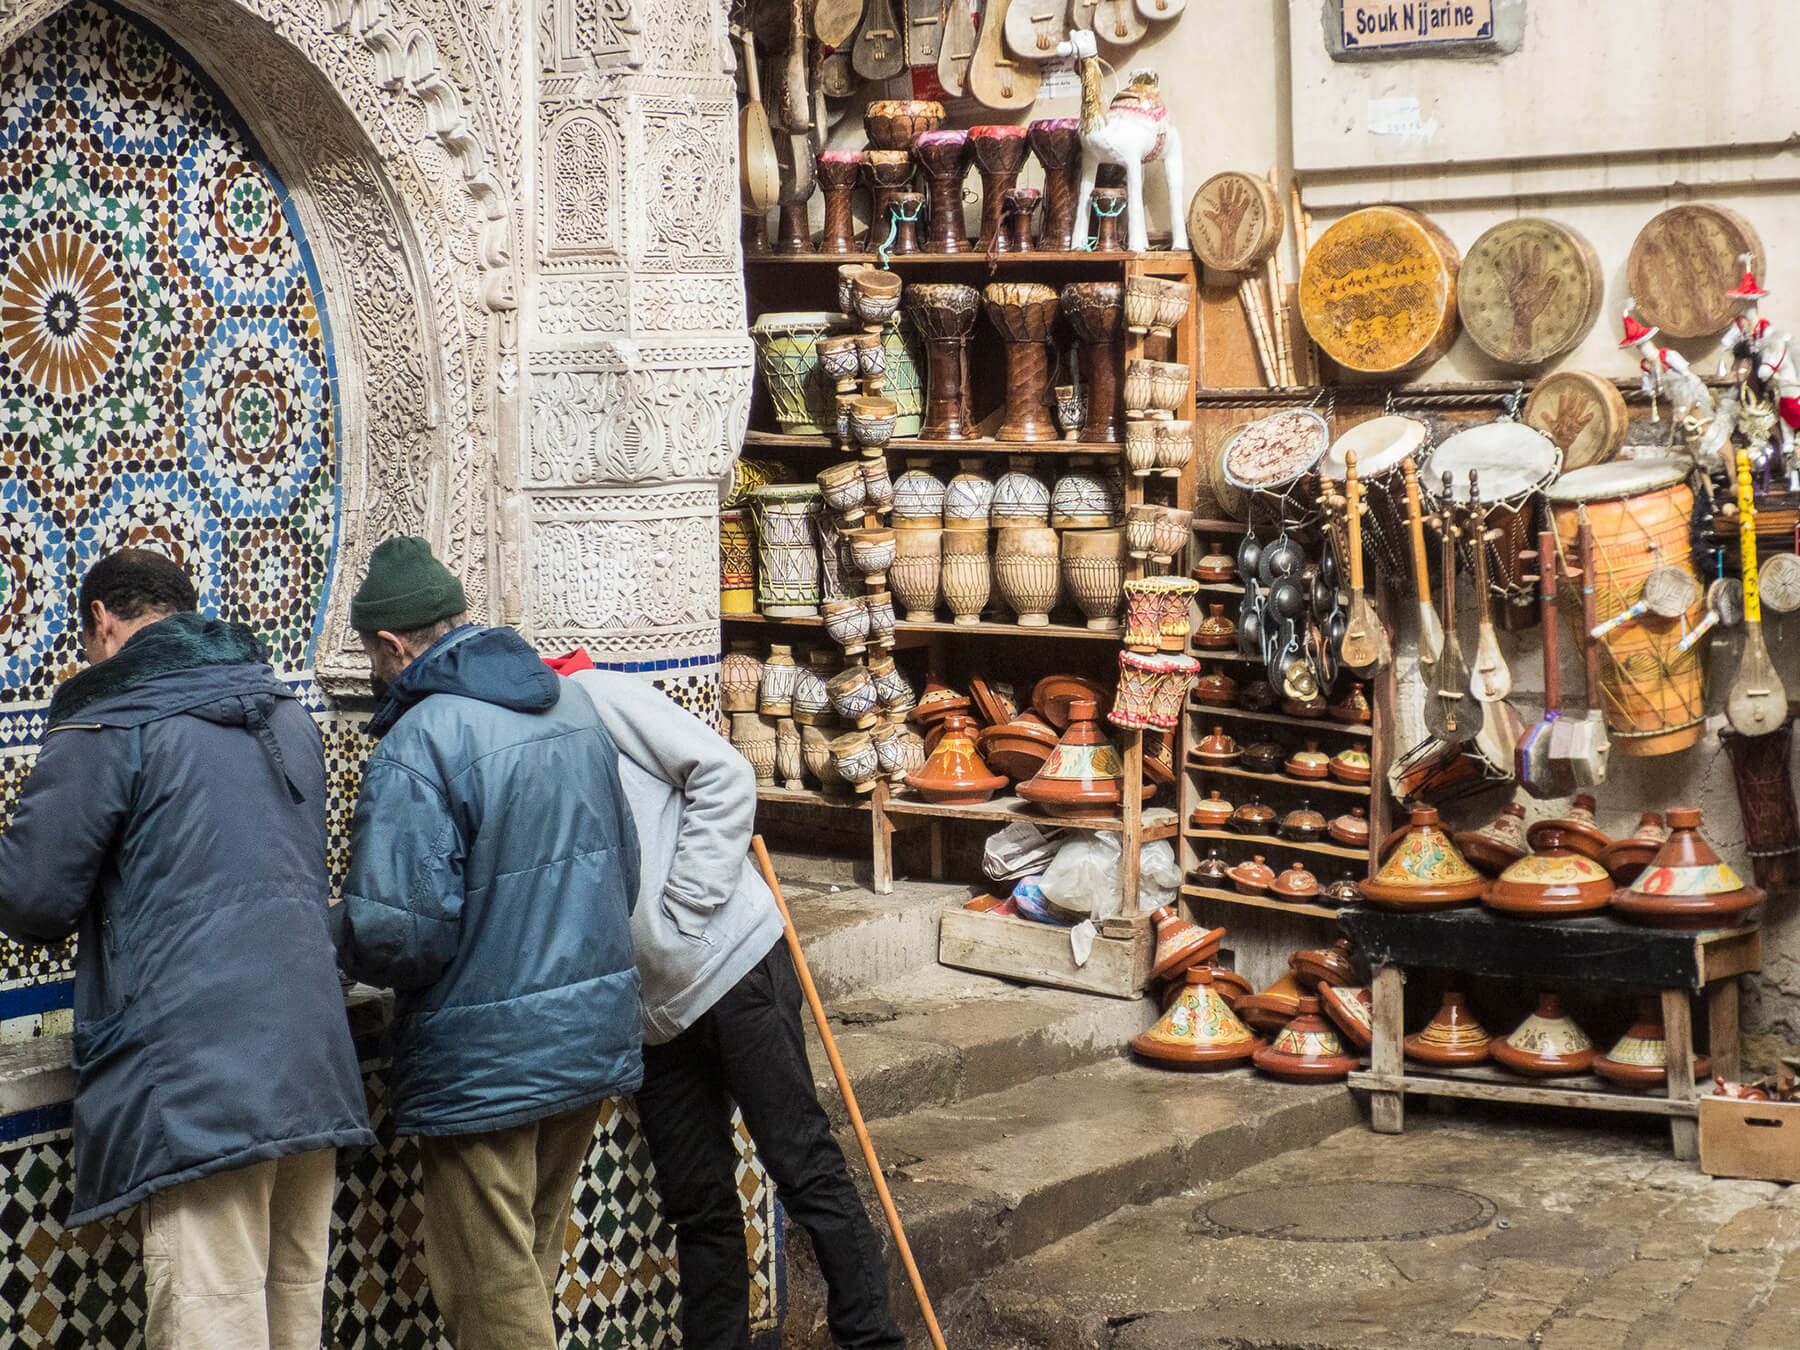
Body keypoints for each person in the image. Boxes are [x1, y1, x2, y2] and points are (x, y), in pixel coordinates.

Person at [0, 548, 374, 1350]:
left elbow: (32, 900)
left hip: (198, 1084)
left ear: (103, 620)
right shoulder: (282, 710)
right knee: (290, 1313)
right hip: (311, 1064)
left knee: (213, 1317)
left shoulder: (109, 716)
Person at [545, 647, 906, 1350]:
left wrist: (685, 909)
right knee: (698, 1207)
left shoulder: (592, 694)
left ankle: (872, 1340)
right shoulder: (502, 755)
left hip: (732, 966)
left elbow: (725, 772)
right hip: (651, 1019)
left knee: (803, 1167)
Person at [333, 538, 641, 1350]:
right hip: (590, 1037)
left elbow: (400, 934)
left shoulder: (421, 739)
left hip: (488, 1061)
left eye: (370, 655)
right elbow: (626, 872)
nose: (371, 673)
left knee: (488, 1291)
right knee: (528, 1267)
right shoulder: (571, 707)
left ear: (393, 646)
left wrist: (332, 924)